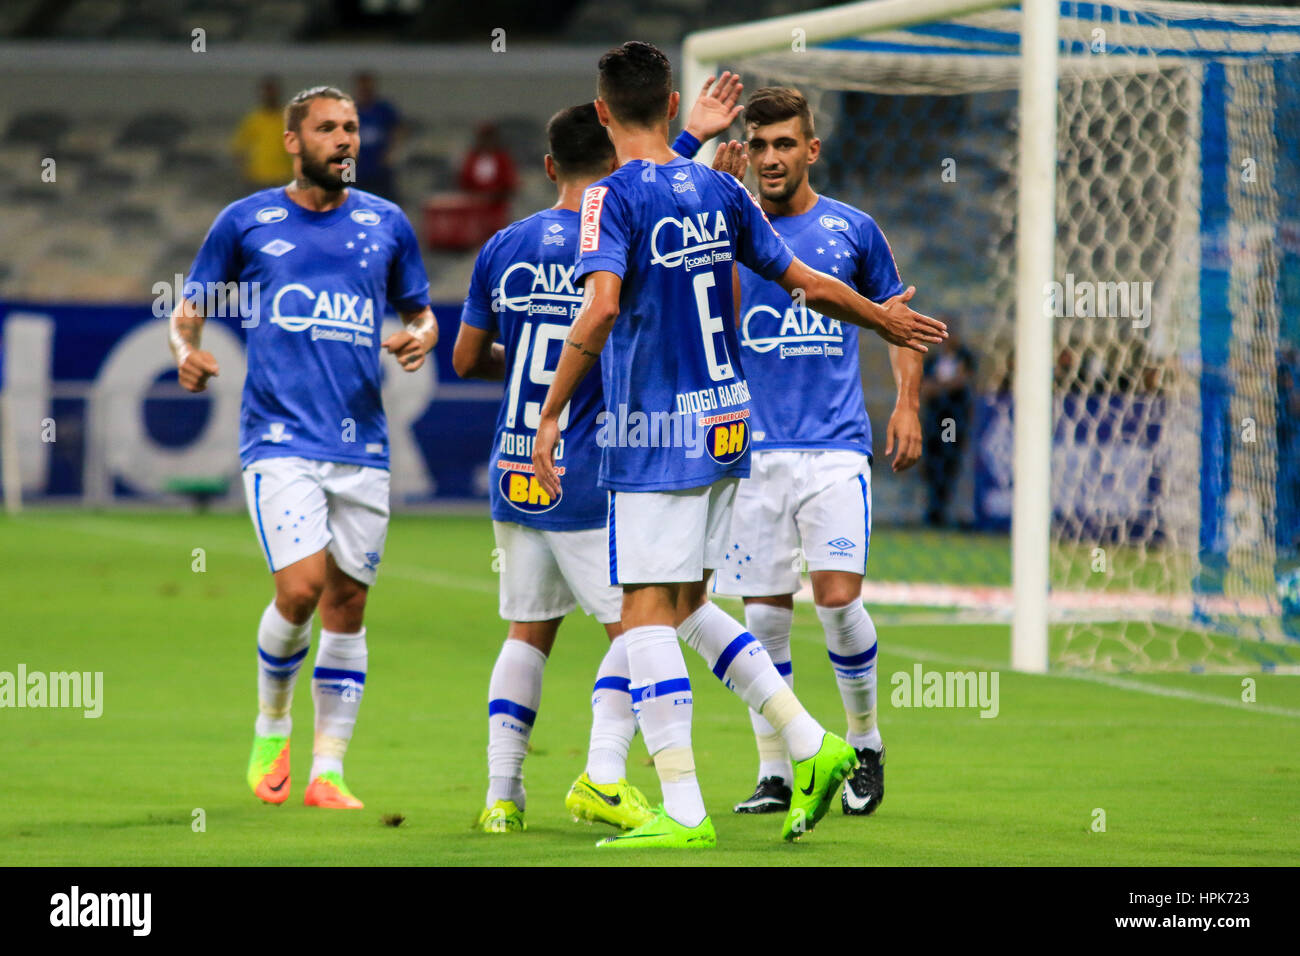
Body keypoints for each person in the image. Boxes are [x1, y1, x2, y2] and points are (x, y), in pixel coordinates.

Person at [532, 42, 945, 849]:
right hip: (730, 429)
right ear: (676, 106)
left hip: (654, 429)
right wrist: (883, 315)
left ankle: (682, 813)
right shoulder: (721, 188)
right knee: (688, 607)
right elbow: (805, 280)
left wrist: (551, 412)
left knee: (643, 612)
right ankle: (814, 745)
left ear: (605, 112)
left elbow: (603, 308)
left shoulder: (607, 196)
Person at [453, 77, 748, 835]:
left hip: (517, 468)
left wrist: (529, 362)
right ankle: (608, 776)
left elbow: (463, 358)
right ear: (613, 148)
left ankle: (501, 796)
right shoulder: (622, 229)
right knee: (639, 628)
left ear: (550, 168)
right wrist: (697, 149)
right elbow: (648, 217)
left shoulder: (503, 246)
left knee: (527, 632)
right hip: (590, 466)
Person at [170, 86, 437, 811]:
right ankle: (270, 728)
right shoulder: (247, 221)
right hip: (280, 439)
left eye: (351, 128)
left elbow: (422, 311)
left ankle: (328, 771)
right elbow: (188, 311)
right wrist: (185, 351)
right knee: (300, 589)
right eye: (327, 129)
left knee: (348, 605)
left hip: (364, 445)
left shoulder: (386, 224)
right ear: (294, 141)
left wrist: (420, 337)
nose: (344, 139)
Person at [682, 86, 922, 818]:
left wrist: (908, 401)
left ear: (811, 149)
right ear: (745, 151)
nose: (771, 157)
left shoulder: (852, 229)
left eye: (785, 144)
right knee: (763, 619)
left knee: (838, 602)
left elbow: (897, 317)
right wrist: (711, 197)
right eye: (758, 145)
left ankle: (865, 743)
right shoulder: (726, 230)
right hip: (751, 453)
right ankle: (777, 771)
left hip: (832, 450)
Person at [920, 319, 976, 527]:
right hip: (934, 417)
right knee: (932, 462)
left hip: (950, 420)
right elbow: (925, 388)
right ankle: (934, 510)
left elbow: (962, 382)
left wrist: (940, 387)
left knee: (948, 457)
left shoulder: (964, 357)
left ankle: (947, 509)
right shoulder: (933, 360)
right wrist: (946, 386)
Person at [231, 76, 294, 189]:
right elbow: (239, 148)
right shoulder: (254, 119)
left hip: (283, 178)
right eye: (266, 93)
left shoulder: (288, 118)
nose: (269, 96)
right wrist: (244, 173)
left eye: (272, 92)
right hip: (258, 178)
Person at [353, 71, 404, 200]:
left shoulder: (384, 110)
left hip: (380, 167)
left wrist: (392, 152)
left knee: (384, 201)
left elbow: (399, 130)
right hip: (357, 168)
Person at [458, 123, 519, 203]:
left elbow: (509, 181)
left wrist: (497, 194)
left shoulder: (502, 158)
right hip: (474, 202)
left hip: (497, 203)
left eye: (489, 138)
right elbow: (464, 179)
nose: (487, 141)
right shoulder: (472, 158)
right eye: (484, 138)